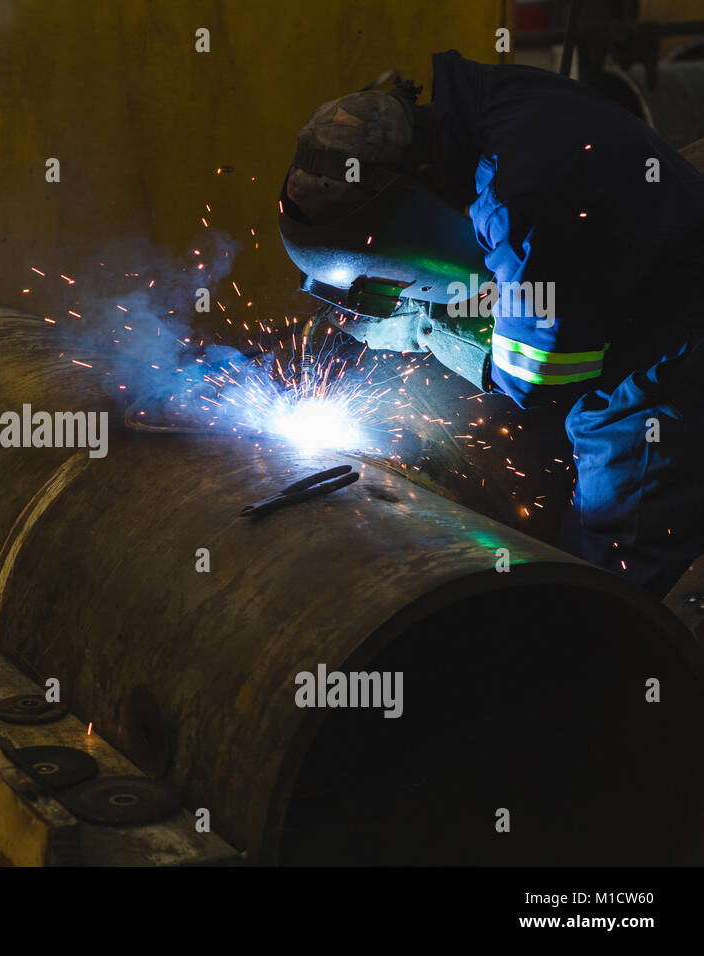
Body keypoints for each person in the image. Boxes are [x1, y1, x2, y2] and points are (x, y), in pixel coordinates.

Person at [278, 50, 704, 598]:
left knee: (599, 568)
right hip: (642, 261)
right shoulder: (492, 98)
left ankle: (602, 663)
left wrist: (420, 330)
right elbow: (525, 271)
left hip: (673, 349)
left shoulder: (518, 205)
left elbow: (538, 375)